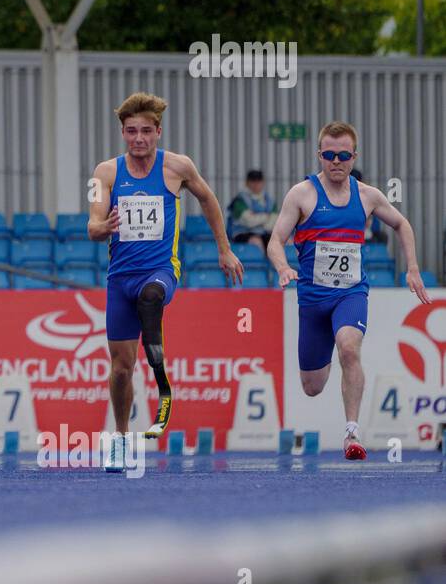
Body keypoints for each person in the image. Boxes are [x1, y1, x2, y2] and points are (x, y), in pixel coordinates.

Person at [87, 92, 243, 472]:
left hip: (161, 271)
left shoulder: (178, 167)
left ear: (158, 131)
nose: (138, 139)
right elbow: (91, 224)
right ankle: (121, 439)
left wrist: (224, 249)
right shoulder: (104, 173)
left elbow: (209, 200)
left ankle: (158, 363)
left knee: (152, 296)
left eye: (145, 131)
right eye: (130, 132)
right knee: (121, 367)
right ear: (122, 133)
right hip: (120, 279)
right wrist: (102, 227)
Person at [267, 122, 431, 460]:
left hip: (351, 294)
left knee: (349, 348)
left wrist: (412, 268)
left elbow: (402, 223)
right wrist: (283, 266)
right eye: (329, 155)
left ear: (354, 156)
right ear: (319, 155)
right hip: (312, 300)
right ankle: (323, 356)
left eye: (343, 155)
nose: (336, 161)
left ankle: (352, 433)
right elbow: (274, 241)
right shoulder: (301, 194)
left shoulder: (368, 196)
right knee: (312, 387)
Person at [227, 170, 277, 252]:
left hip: (265, 233)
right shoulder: (240, 200)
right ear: (247, 182)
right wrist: (267, 216)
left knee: (282, 242)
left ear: (263, 182)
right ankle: (260, 265)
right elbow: (249, 221)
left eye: (259, 181)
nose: (256, 184)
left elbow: (274, 222)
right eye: (253, 181)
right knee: (256, 242)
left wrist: (257, 218)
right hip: (242, 233)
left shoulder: (270, 201)